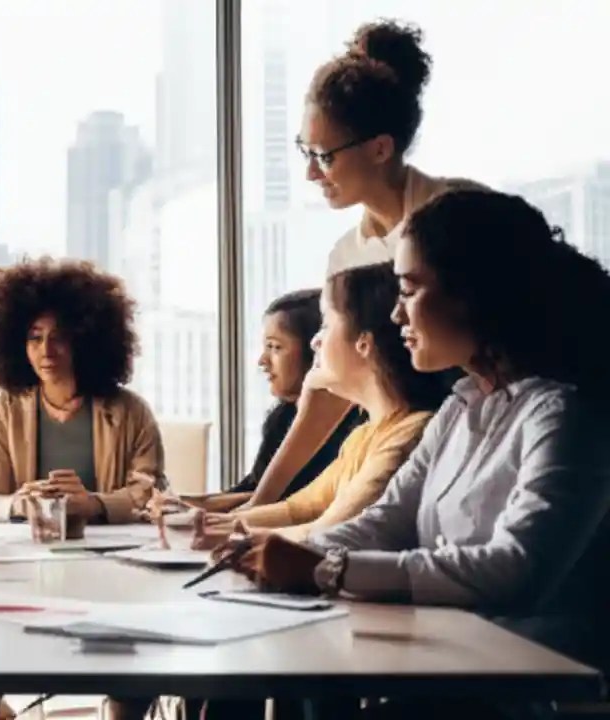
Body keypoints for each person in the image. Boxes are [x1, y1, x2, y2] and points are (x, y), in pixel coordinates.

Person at [241, 191, 610, 714]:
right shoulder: (461, 407)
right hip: (451, 658)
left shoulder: (565, 414)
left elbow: (517, 568)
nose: (395, 313)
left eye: (410, 290)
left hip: (525, 685)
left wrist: (327, 569)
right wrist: (284, 554)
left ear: (472, 294)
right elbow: (387, 521)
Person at [249, 19, 484, 512]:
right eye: (304, 152)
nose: (311, 173)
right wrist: (256, 502)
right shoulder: (347, 257)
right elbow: (327, 390)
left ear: (380, 149)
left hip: (478, 449)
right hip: (402, 456)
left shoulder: (461, 215)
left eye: (323, 156)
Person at [0, 257, 163, 720]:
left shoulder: (130, 409)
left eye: (59, 336)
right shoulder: (0, 409)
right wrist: (22, 502)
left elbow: (151, 493)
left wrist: (91, 503)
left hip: (116, 573)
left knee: (133, 682)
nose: (45, 349)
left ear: (86, 339)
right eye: (34, 337)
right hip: (20, 571)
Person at [192, 263, 447, 547]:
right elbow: (299, 508)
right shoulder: (364, 435)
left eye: (326, 324)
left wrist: (237, 534)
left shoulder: (411, 434)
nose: (315, 340)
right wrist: (221, 522)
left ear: (364, 343)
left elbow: (332, 529)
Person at [189, 289, 362, 514]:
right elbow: (256, 488)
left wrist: (203, 507)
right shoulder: (281, 417)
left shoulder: (356, 427)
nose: (262, 360)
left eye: (275, 347)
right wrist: (187, 503)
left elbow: (293, 499)